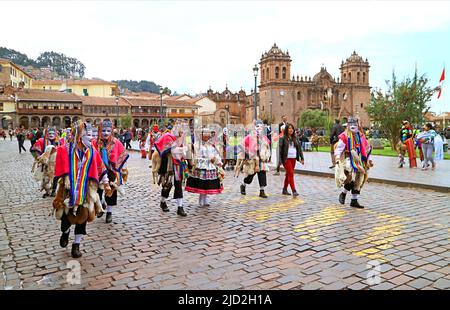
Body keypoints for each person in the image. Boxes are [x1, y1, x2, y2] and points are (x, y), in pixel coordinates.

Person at [52, 121, 109, 258]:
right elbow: (59, 163)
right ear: (78, 135)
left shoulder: (92, 151)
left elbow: (100, 167)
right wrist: (64, 176)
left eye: (92, 134)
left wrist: (105, 182)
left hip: (85, 190)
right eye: (87, 134)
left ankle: (76, 245)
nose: (91, 137)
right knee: (66, 217)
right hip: (68, 189)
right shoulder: (66, 149)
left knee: (83, 216)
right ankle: (65, 233)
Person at [93, 120, 129, 223]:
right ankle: (100, 204)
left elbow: (122, 154)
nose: (106, 133)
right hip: (98, 170)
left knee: (111, 191)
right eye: (103, 130)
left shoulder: (116, 142)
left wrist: (122, 169)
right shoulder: (95, 142)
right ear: (100, 130)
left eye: (108, 130)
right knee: (98, 190)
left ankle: (109, 212)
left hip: (111, 170)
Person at [334, 117, 373, 209]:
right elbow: (339, 148)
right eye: (351, 124)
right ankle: (343, 193)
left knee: (359, 180)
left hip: (360, 160)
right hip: (348, 160)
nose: (353, 126)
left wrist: (369, 160)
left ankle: (354, 200)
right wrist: (337, 157)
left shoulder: (361, 136)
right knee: (350, 178)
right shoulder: (344, 136)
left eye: (355, 124)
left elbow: (366, 149)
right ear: (348, 125)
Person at [154, 125, 189, 216]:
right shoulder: (168, 137)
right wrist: (182, 149)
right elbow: (174, 150)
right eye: (181, 132)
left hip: (177, 165)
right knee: (167, 185)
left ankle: (180, 207)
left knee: (178, 185)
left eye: (183, 132)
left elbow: (184, 153)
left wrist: (183, 150)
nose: (182, 134)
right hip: (168, 165)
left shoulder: (181, 140)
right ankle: (162, 201)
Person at [186, 127, 224, 207]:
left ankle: (206, 199)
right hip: (202, 166)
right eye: (205, 135)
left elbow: (216, 154)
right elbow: (196, 155)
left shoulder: (212, 145)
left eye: (208, 135)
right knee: (202, 183)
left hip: (210, 166)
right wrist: (204, 159)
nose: (207, 137)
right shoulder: (198, 144)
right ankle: (201, 199)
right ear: (202, 135)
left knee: (208, 184)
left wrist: (218, 161)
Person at [238, 120, 271, 198]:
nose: (259, 128)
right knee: (250, 175)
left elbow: (268, 147)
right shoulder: (249, 137)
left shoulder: (264, 138)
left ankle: (262, 191)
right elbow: (241, 145)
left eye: (261, 127)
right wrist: (247, 154)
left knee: (262, 174)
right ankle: (243, 185)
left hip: (261, 159)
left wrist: (267, 156)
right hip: (253, 159)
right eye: (257, 126)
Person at [30, 126, 61, 197]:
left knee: (55, 177)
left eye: (53, 133)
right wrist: (40, 158)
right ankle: (47, 190)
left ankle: (53, 190)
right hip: (46, 164)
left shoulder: (59, 141)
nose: (51, 135)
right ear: (46, 133)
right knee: (46, 177)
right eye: (49, 133)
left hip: (55, 163)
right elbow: (34, 150)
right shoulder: (42, 140)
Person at [279, 123, 304, 197]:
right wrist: (280, 161)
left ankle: (284, 189)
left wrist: (301, 158)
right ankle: (294, 190)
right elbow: (280, 150)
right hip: (286, 159)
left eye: (292, 128)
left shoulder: (295, 138)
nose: (291, 130)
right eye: (289, 128)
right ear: (287, 129)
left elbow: (299, 149)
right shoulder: (283, 138)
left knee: (288, 174)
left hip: (293, 158)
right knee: (291, 173)